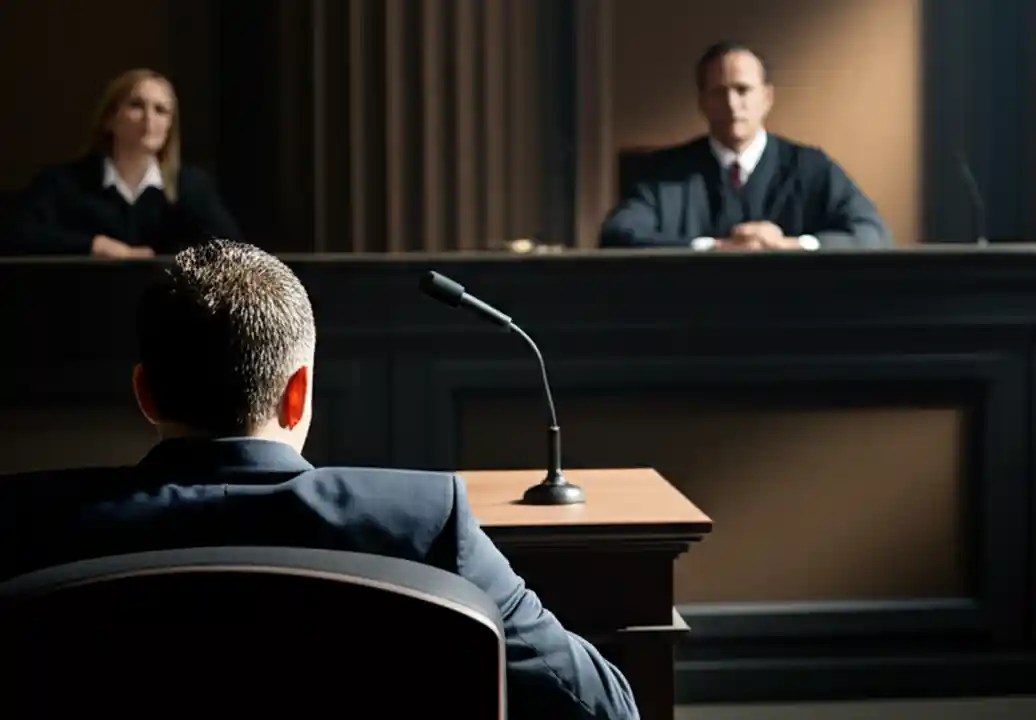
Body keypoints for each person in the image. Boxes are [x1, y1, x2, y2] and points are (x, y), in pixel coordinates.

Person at [0, 239, 638, 720]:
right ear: (299, 393)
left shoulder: (30, 521)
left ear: (144, 394)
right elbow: (605, 708)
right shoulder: (422, 518)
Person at [599, 41, 892, 251]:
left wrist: (792, 246)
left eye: (743, 90)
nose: (731, 104)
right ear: (702, 102)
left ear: (767, 98)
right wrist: (714, 248)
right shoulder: (666, 172)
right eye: (719, 92)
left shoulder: (811, 168)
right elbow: (618, 234)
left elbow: (872, 233)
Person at [4, 68, 242, 258]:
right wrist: (94, 245)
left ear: (170, 126)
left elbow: (236, 251)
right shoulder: (63, 182)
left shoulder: (191, 188)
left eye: (161, 110)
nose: (149, 118)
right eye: (136, 105)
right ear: (109, 118)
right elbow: (16, 234)